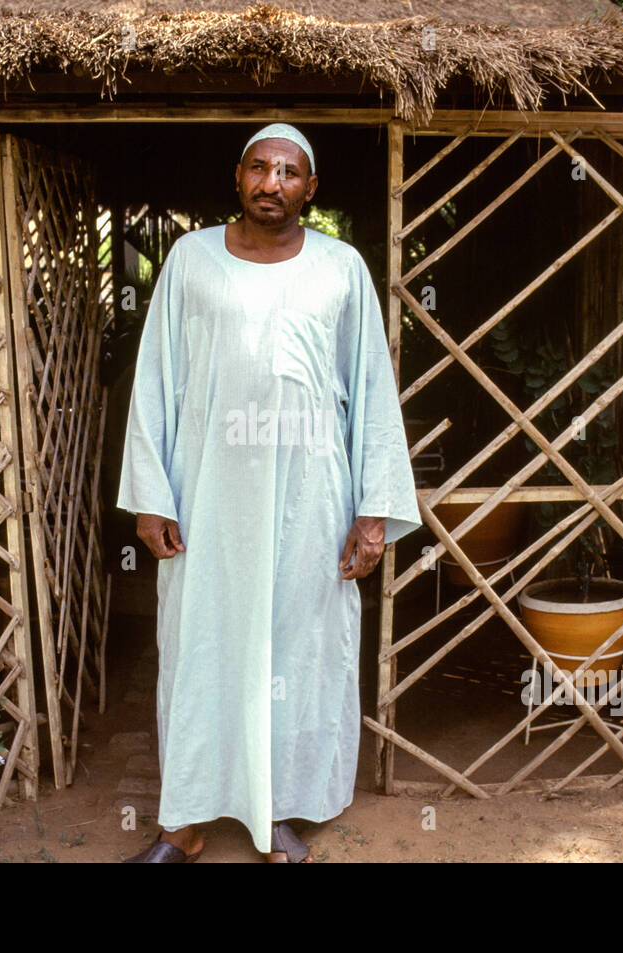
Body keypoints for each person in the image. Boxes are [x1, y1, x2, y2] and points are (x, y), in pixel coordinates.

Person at [117, 123, 420, 863]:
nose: (272, 183)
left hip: (309, 505)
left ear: (310, 189)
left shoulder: (342, 269)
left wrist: (372, 514)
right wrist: (151, 494)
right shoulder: (189, 262)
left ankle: (277, 812)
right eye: (260, 168)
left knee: (297, 649)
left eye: (289, 172)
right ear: (238, 176)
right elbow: (154, 380)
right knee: (199, 647)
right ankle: (185, 819)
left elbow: (374, 393)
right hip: (208, 499)